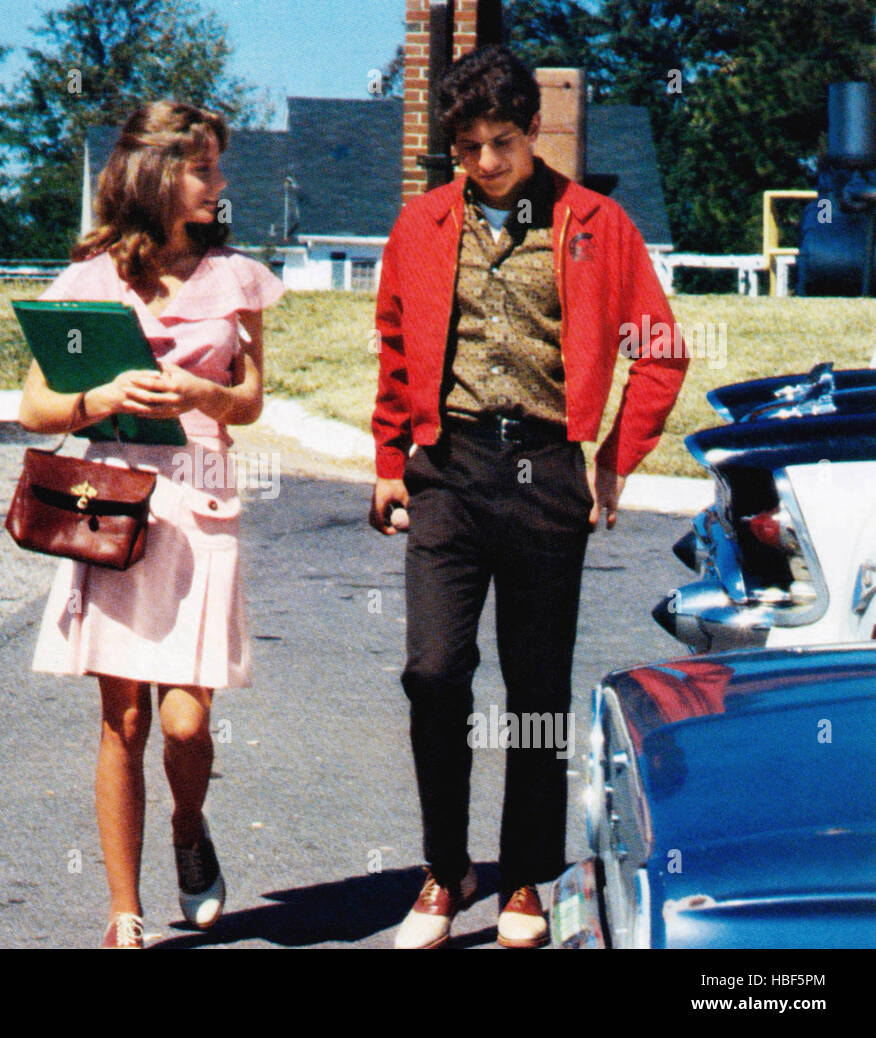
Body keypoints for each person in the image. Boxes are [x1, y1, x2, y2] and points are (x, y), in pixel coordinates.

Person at [368, 46, 688, 949]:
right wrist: (389, 457)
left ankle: (526, 881)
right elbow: (395, 343)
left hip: (548, 472)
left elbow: (659, 349)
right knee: (434, 673)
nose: (483, 163)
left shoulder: (596, 223)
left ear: (533, 131)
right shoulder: (421, 225)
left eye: (499, 143)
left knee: (538, 688)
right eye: (466, 148)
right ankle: (444, 869)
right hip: (450, 469)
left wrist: (615, 461)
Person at [17, 100, 284, 949]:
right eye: (205, 166)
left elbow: (249, 397)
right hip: (115, 501)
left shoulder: (237, 275)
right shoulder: (92, 278)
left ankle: (188, 825)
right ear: (158, 173)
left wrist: (201, 393)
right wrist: (98, 397)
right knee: (123, 719)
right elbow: (33, 405)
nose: (219, 181)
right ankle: (124, 913)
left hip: (202, 498)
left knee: (186, 724)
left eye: (216, 166)